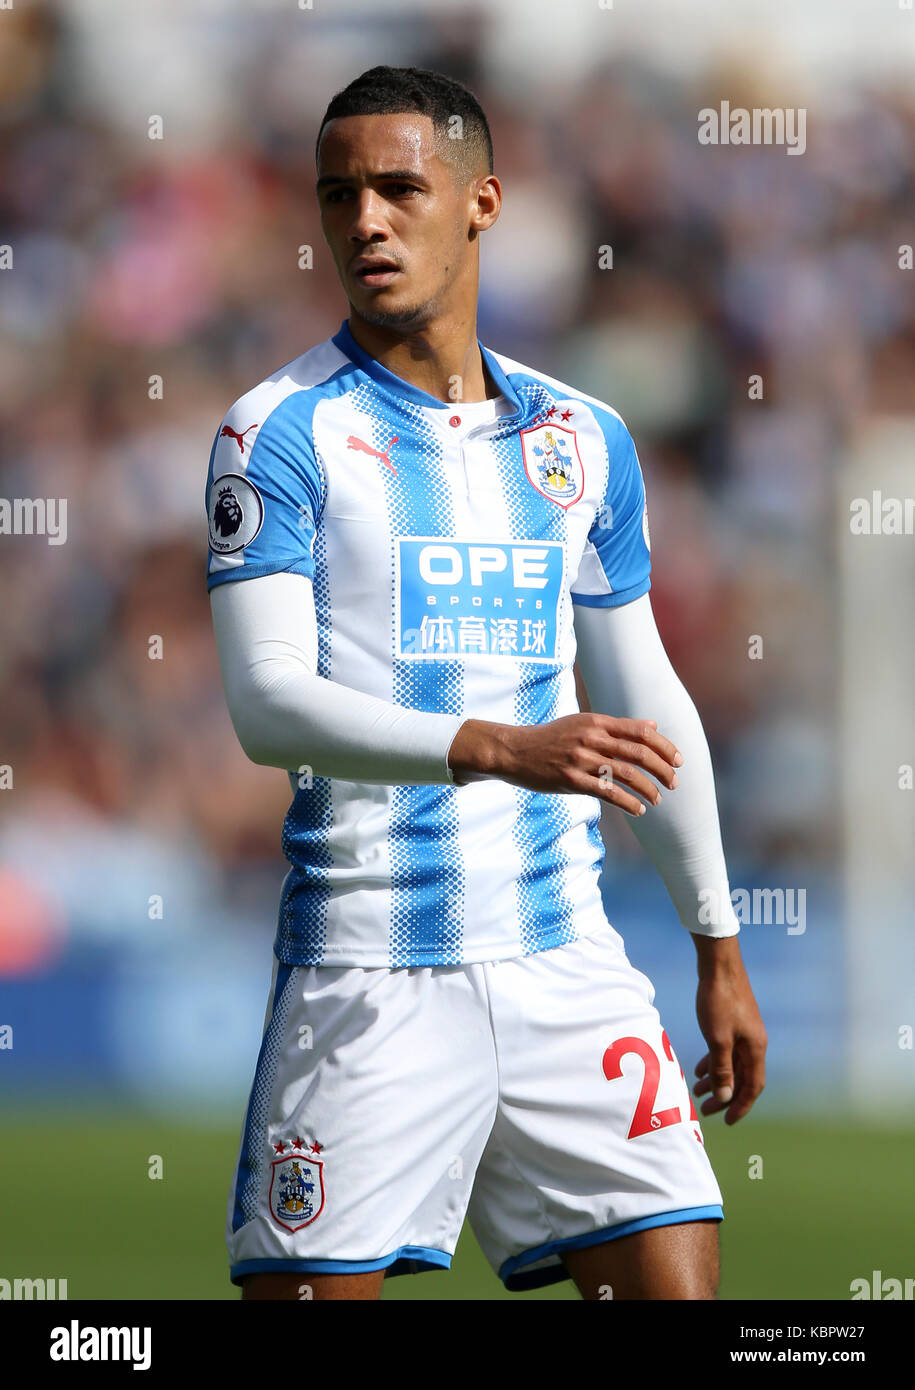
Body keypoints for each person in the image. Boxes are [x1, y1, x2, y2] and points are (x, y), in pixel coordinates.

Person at [204, 64, 767, 1301]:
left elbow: (647, 701)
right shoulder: (278, 431)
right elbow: (265, 707)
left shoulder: (583, 438)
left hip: (569, 964)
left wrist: (717, 942)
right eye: (339, 194)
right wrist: (502, 747)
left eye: (400, 188)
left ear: (482, 203)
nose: (366, 220)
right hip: (368, 977)